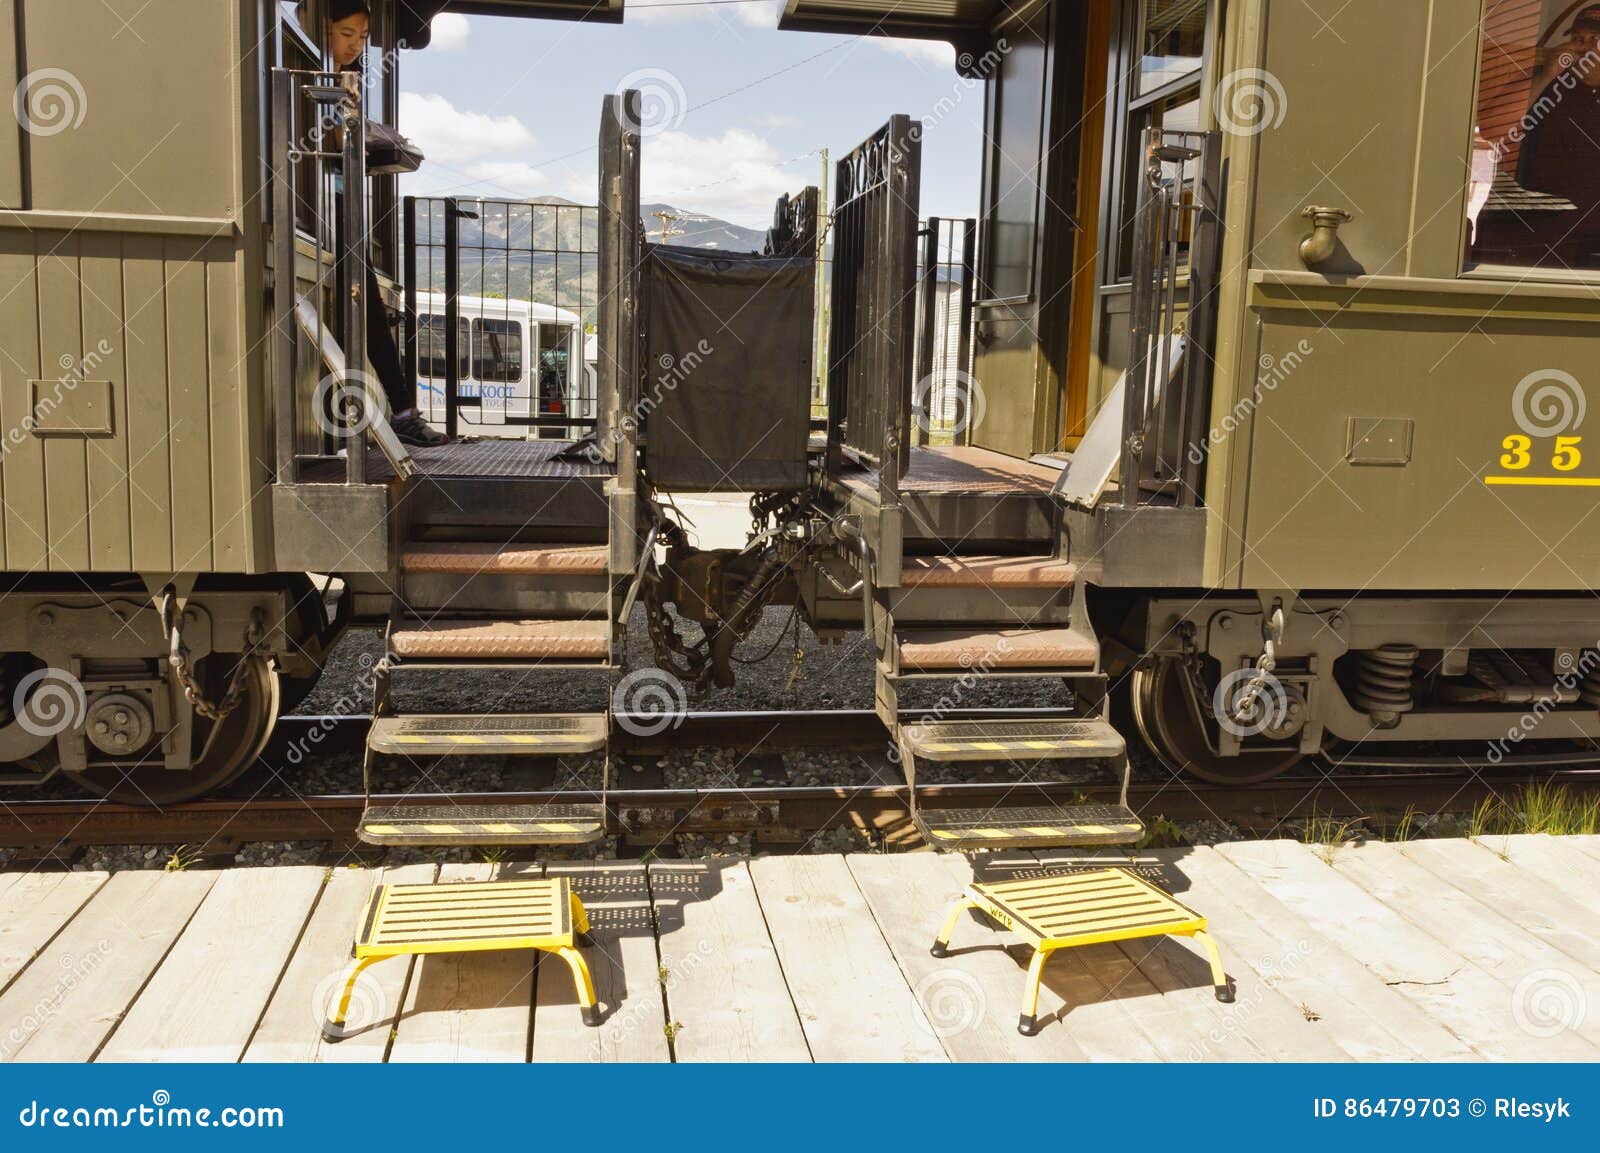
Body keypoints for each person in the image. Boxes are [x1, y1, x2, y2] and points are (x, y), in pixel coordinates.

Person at [303, 0, 449, 447]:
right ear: (321, 28)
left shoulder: (343, 81)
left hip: (343, 205)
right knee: (366, 311)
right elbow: (333, 144)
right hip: (321, 210)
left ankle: (396, 411)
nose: (354, 45)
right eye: (346, 34)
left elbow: (344, 146)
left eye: (363, 38)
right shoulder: (311, 80)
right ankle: (400, 412)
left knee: (368, 312)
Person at [1517, 5, 1600, 236]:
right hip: (1545, 218)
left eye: (1595, 40)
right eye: (1578, 39)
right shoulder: (1554, 79)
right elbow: (1502, 129)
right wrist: (1547, 75)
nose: (1584, 48)